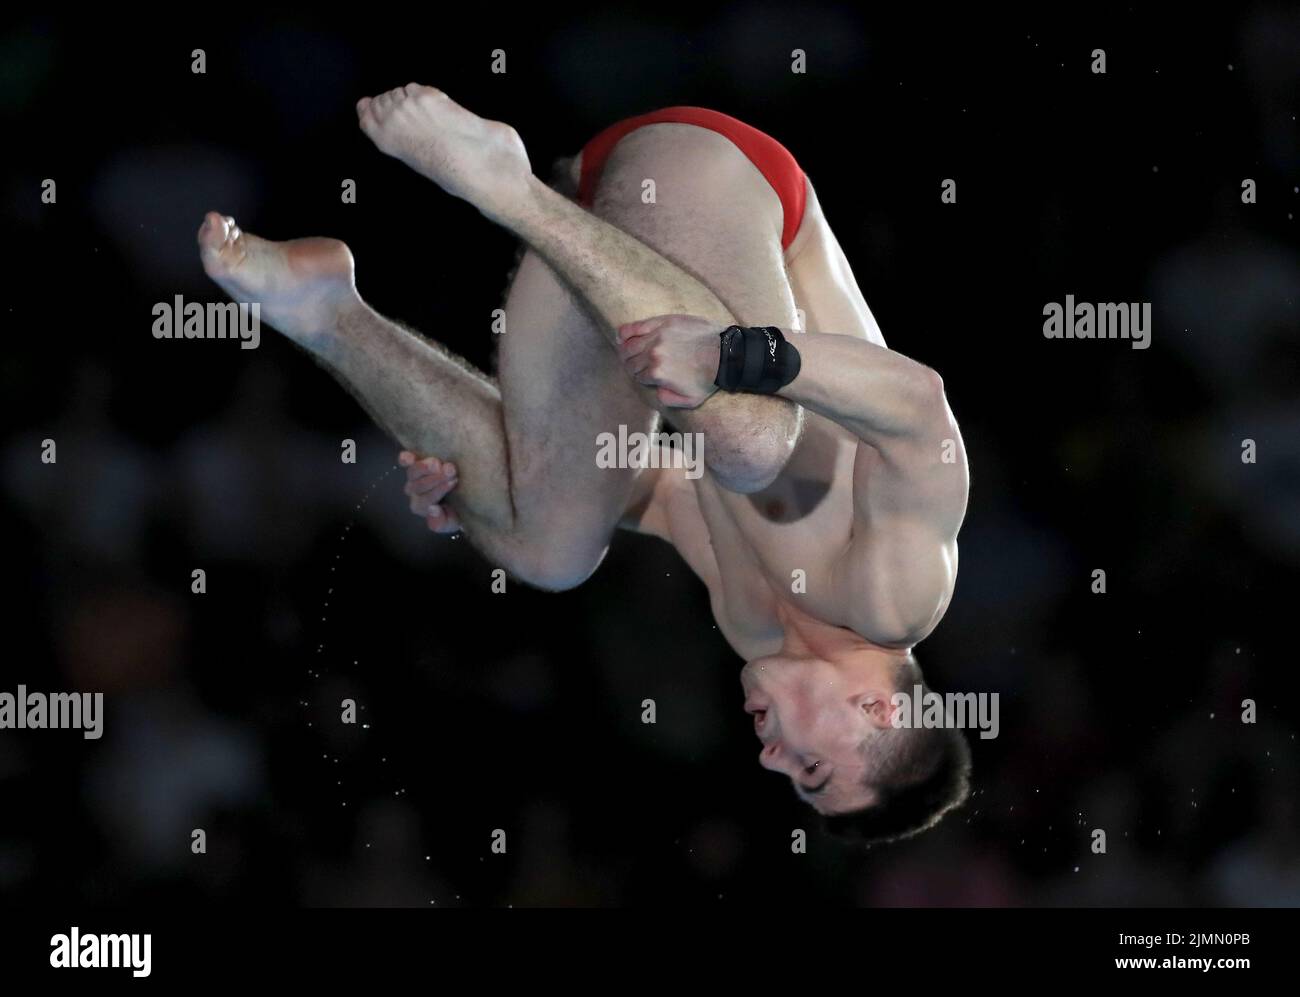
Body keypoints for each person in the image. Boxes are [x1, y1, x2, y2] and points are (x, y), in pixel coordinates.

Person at [198, 84, 972, 844]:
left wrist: (483, 489)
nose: (770, 757)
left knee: (551, 549)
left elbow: (650, 484)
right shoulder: (898, 599)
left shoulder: (751, 627)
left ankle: (328, 312)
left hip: (595, 241)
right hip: (712, 176)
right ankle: (504, 184)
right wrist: (733, 355)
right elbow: (919, 407)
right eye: (810, 767)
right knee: (755, 446)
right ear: (881, 711)